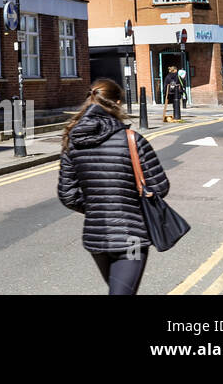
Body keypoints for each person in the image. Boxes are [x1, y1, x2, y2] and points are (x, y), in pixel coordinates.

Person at [57, 78, 169, 295]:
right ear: (117, 103)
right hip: (133, 239)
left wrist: (99, 207)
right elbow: (160, 187)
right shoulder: (131, 139)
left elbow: (68, 195)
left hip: (96, 238)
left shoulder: (72, 141)